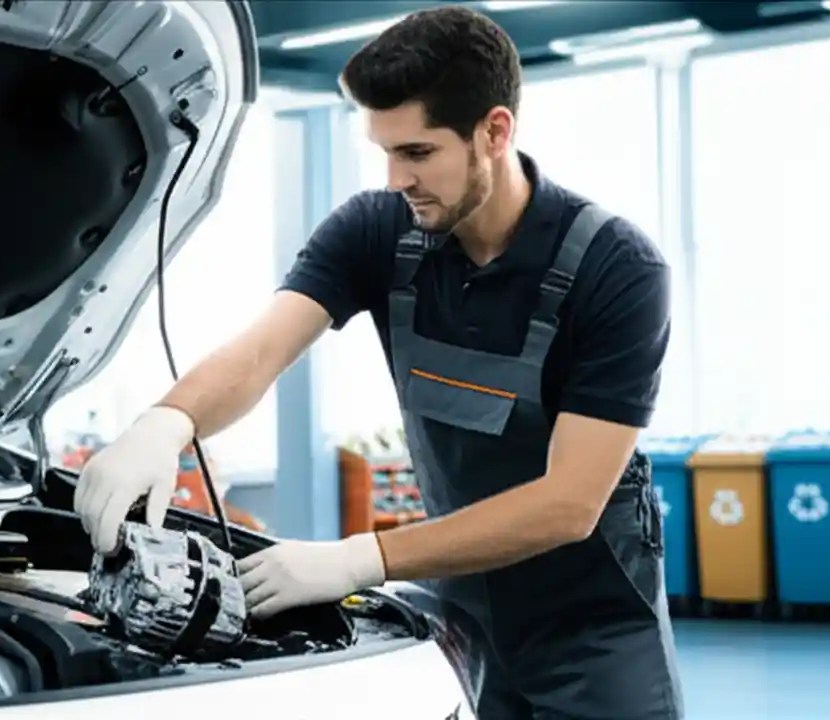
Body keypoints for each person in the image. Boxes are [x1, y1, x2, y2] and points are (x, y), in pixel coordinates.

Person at [73, 5, 682, 718]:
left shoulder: (617, 270)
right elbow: (262, 351)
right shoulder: (377, 231)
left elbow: (569, 503)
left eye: (418, 153)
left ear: (494, 131)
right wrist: (166, 422)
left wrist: (362, 559)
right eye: (384, 151)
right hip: (461, 610)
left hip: (593, 633)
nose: (397, 178)